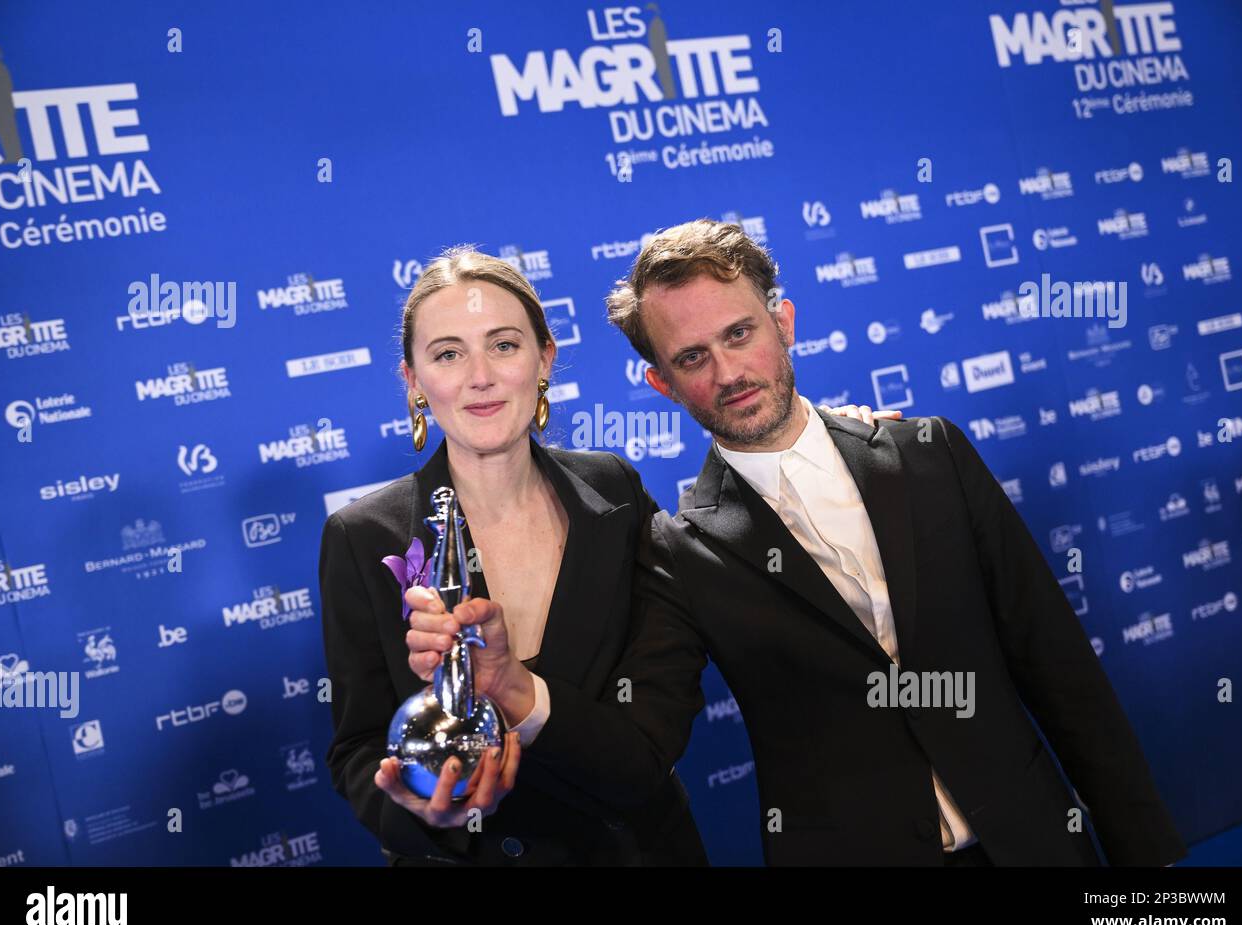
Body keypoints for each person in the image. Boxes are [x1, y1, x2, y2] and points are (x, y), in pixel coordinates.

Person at [406, 219, 1189, 867]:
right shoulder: (676, 549)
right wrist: (514, 689)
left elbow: (1057, 665)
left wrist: (1145, 859)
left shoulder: (929, 453)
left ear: (782, 323)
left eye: (740, 333)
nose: (729, 371)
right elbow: (645, 745)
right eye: (691, 358)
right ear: (662, 384)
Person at [320, 242, 893, 865]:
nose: (479, 375)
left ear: (544, 358)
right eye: (448, 353)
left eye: (504, 345)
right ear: (413, 380)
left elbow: (650, 741)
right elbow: (358, 748)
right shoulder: (363, 537)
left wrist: (825, 448)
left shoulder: (615, 490)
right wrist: (424, 812)